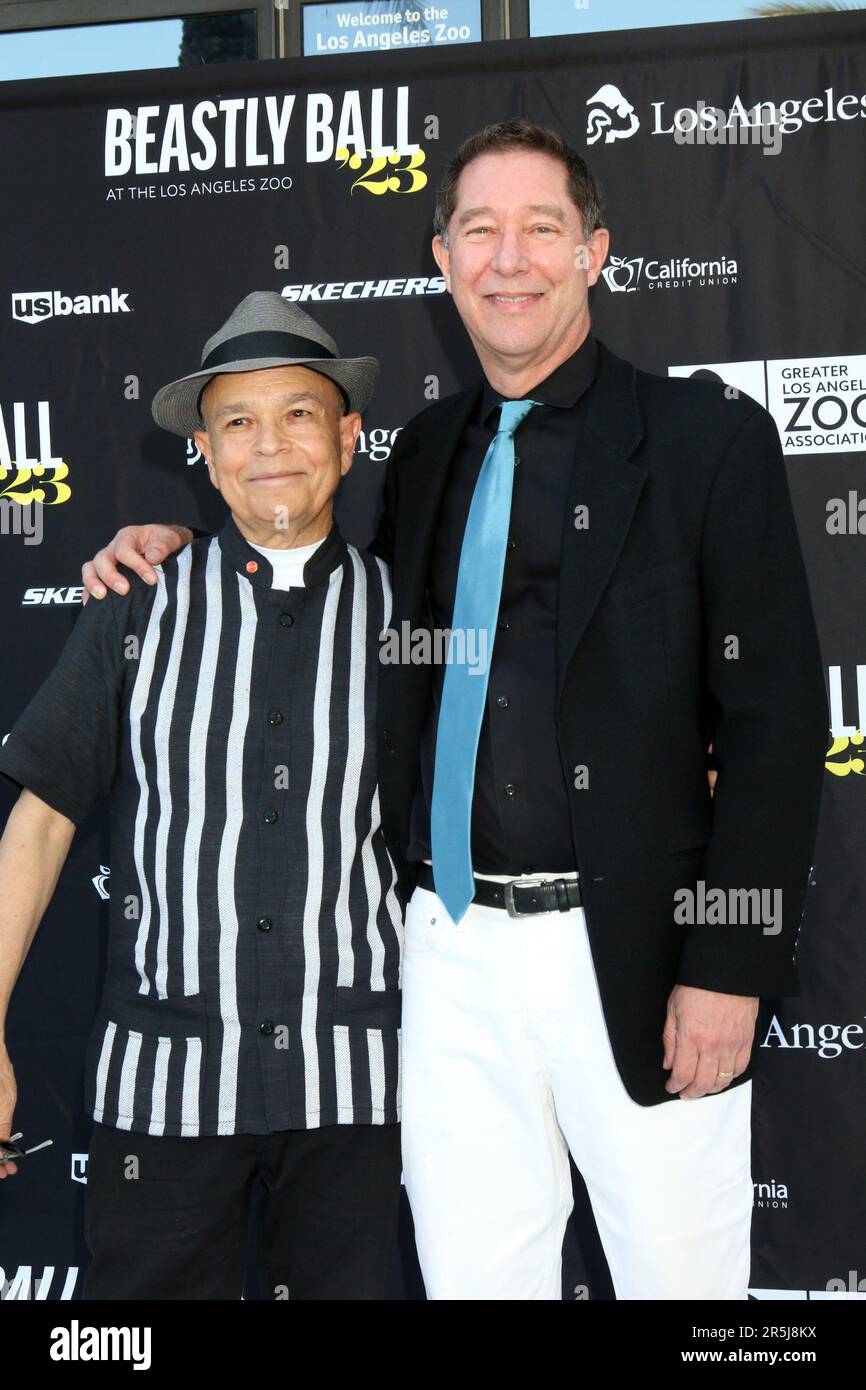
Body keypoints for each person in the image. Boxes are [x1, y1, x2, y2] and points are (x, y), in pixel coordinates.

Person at [77, 121, 827, 1301]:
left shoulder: (701, 439)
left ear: (596, 253)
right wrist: (177, 546)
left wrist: (728, 963)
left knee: (684, 1295)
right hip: (443, 954)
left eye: (540, 228)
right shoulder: (424, 454)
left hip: (633, 951)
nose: (507, 257)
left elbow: (780, 721)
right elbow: (315, 599)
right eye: (478, 229)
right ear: (442, 259)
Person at [0, 291, 404, 1300]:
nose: (269, 445)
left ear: (348, 438)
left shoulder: (412, 616)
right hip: (161, 1097)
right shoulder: (131, 606)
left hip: (357, 1090)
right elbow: (41, 822)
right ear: (206, 452)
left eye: (299, 414)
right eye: (236, 421)